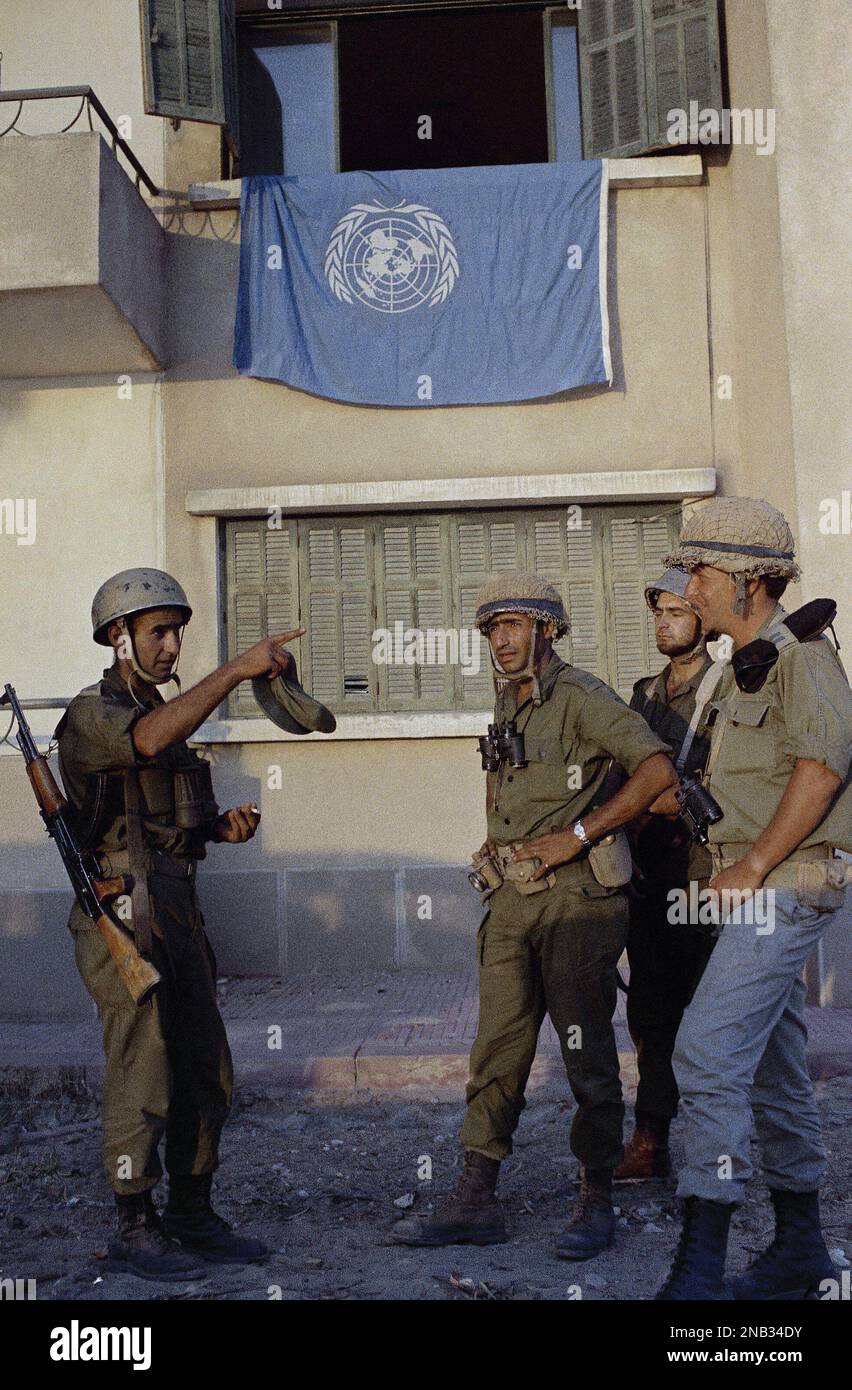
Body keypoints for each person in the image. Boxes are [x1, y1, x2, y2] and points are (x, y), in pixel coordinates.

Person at [392, 572, 676, 1258]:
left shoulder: (583, 697)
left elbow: (658, 771)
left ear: (547, 630)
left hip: (579, 900)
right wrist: (499, 836)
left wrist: (577, 836)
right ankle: (475, 1191)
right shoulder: (508, 701)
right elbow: (508, 780)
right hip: (514, 899)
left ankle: (596, 1195)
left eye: (513, 625)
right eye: (492, 629)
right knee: (497, 1049)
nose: (501, 640)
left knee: (585, 1050)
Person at [57, 567, 304, 1281]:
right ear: (119, 638)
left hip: (174, 904)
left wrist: (219, 831)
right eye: (158, 632)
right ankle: (136, 1222)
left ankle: (192, 1213)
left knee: (205, 1064)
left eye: (176, 632)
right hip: (120, 915)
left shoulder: (162, 709)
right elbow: (143, 741)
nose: (171, 645)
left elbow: (164, 818)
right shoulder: (94, 712)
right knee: (144, 1065)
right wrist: (235, 670)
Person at [653, 498, 851, 1300]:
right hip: (749, 887)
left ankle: (700, 1268)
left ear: (746, 580)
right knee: (772, 1071)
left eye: (700, 571)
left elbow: (823, 767)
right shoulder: (746, 664)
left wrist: (754, 862)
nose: (688, 586)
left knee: (703, 1054)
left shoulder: (802, 657)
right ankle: (803, 1249)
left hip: (783, 885)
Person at [616, 569, 721, 1181]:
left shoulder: (730, 689)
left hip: (708, 876)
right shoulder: (643, 695)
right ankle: (651, 1140)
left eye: (676, 611)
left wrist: (648, 798)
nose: (664, 621)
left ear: (702, 620)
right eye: (658, 611)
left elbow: (725, 785)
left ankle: (715, 1145)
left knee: (709, 1016)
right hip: (652, 873)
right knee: (650, 1013)